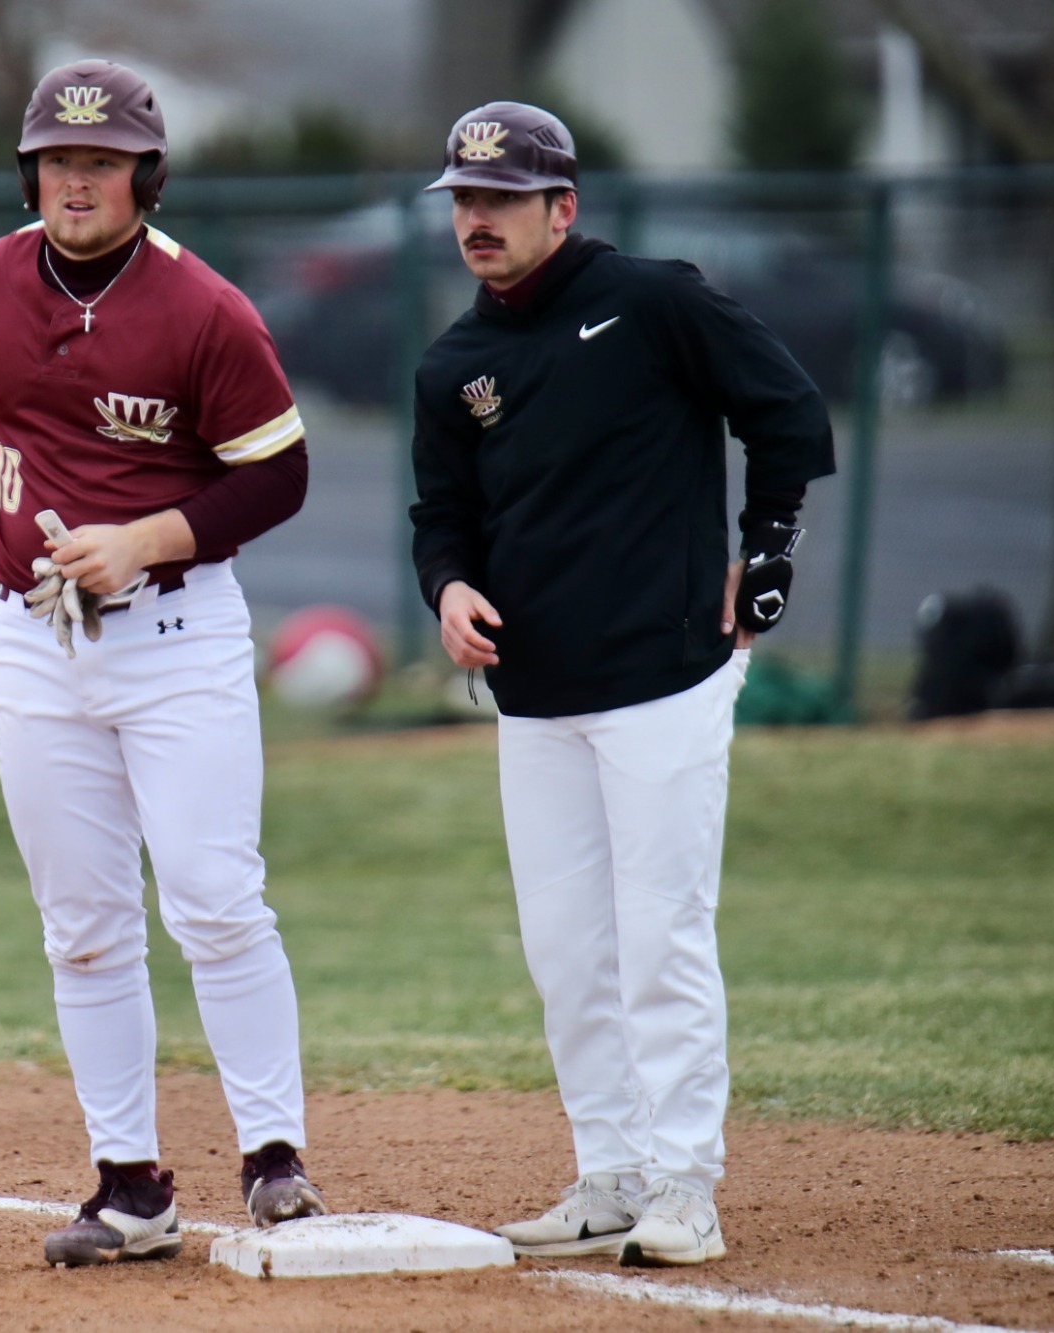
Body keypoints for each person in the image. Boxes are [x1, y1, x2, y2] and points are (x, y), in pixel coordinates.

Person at [409, 103, 834, 1266]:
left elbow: (786, 410)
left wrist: (771, 546)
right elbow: (439, 517)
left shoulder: (653, 302)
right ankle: (606, 1172)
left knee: (659, 936)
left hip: (663, 676)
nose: (475, 219)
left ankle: (683, 1183)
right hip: (533, 696)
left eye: (499, 198)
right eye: (461, 200)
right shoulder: (456, 363)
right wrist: (446, 589)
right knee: (565, 949)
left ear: (563, 206)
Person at [0, 59, 325, 1266]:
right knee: (84, 926)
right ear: (29, 172)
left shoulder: (204, 310)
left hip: (178, 635)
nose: (75, 180)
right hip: (34, 644)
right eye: (56, 159)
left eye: (99, 162)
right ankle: (130, 1186)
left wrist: (144, 540)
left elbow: (279, 472)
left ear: (145, 176)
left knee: (211, 894)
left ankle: (272, 1158)